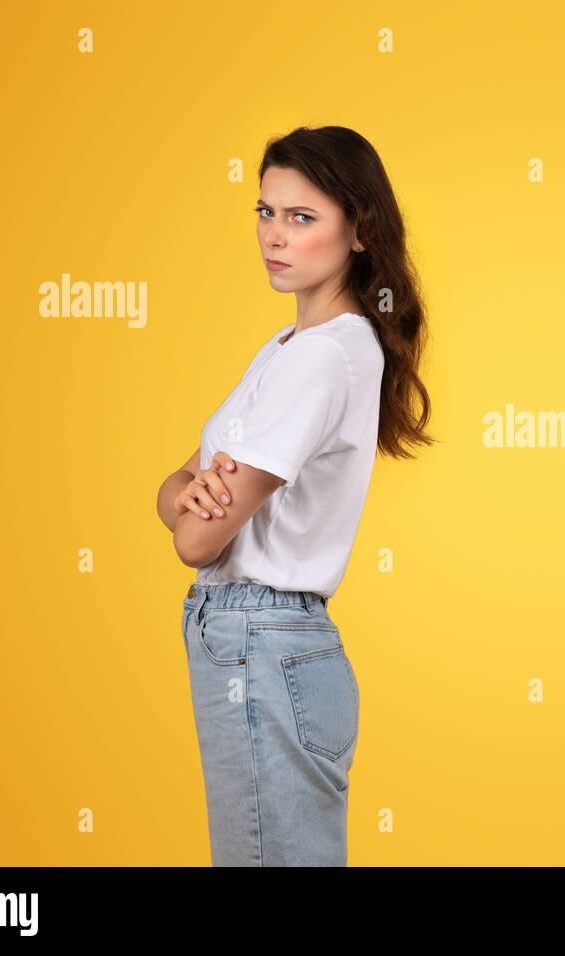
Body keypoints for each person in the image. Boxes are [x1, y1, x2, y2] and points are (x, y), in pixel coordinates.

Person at [153, 126, 432, 865]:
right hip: (264, 650)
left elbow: (196, 541)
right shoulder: (284, 351)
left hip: (262, 647)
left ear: (358, 231)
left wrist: (195, 503)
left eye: (302, 218)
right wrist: (192, 492)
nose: (274, 236)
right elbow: (170, 486)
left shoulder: (325, 359)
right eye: (265, 212)